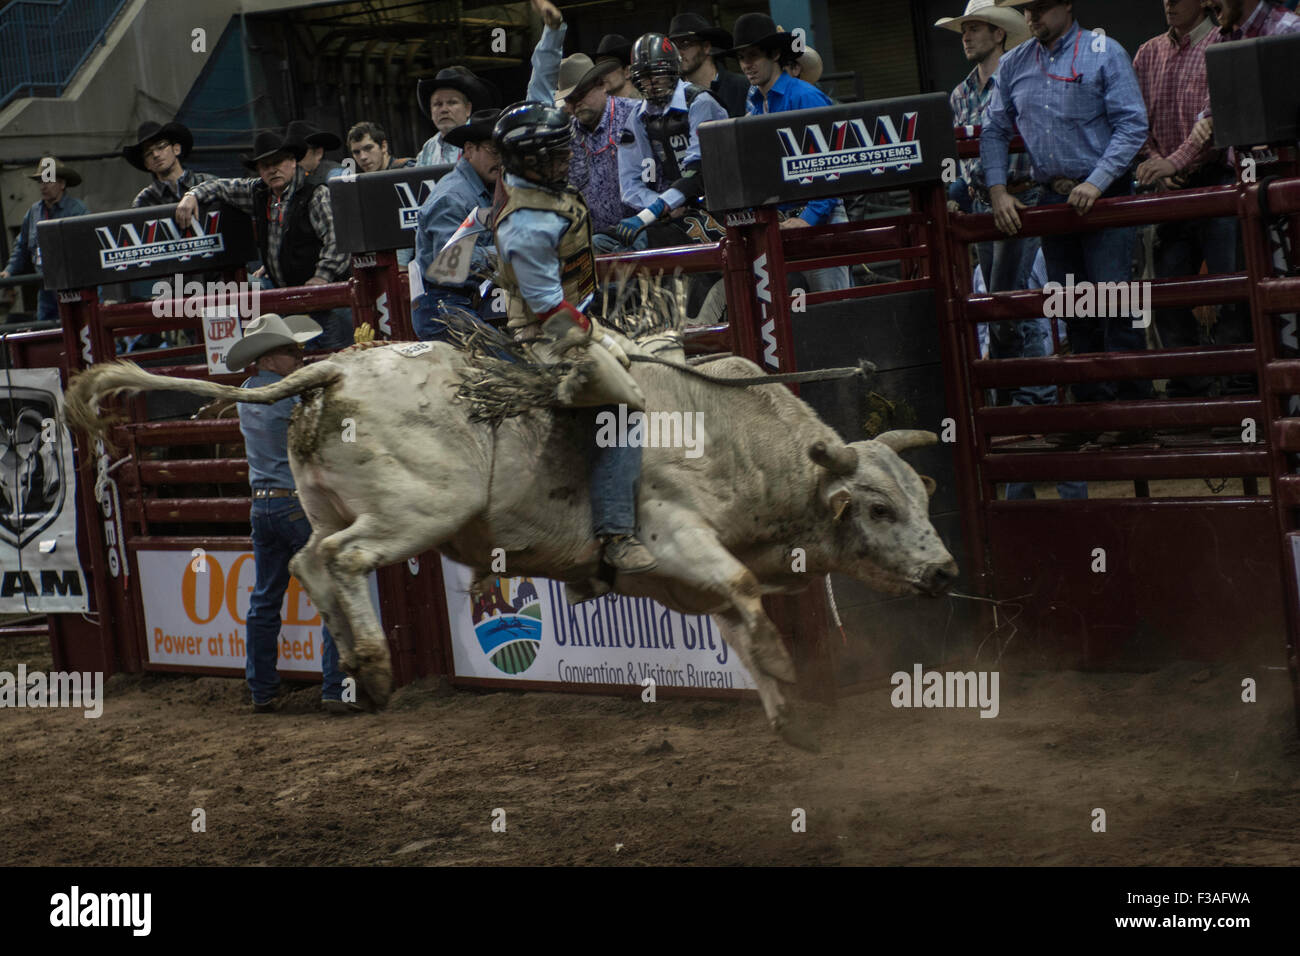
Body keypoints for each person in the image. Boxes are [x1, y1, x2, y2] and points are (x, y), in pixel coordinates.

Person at [492, 101, 657, 574]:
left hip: (578, 313)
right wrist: (597, 341)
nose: (565, 162)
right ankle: (616, 536)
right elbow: (547, 311)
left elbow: (538, 98)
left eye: (563, 151)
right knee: (622, 409)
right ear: (526, 161)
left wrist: (551, 39)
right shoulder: (525, 224)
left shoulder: (537, 183)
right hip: (548, 333)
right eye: (553, 156)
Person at [982, 0, 1152, 438]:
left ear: (1066, 6)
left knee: (1116, 302)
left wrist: (1096, 181)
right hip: (1054, 198)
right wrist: (998, 189)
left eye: (1039, 8)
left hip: (1104, 194)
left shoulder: (1104, 51)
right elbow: (995, 128)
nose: (1032, 17)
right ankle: (1093, 414)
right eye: (1027, 10)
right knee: (1074, 308)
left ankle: (1134, 415)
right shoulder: (1017, 63)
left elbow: (1133, 124)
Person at [226, 312, 358, 714]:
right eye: (290, 350)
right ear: (268, 358)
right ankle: (337, 689)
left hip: (262, 506)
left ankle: (262, 688)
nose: (300, 356)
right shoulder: (290, 397)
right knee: (333, 590)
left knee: (266, 598)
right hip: (296, 506)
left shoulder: (248, 392)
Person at [1133, 0, 1241, 399]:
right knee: (1167, 292)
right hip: (1171, 189)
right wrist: (1156, 163)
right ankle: (1191, 388)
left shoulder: (1222, 43)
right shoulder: (1147, 54)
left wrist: (1169, 163)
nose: (1169, 3)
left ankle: (1237, 388)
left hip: (1215, 179)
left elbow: (1215, 122)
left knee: (1232, 290)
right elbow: (1134, 121)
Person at [938, 0, 1036, 404]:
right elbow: (957, 161)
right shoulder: (960, 94)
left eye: (976, 28)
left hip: (1020, 196)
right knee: (996, 302)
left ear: (999, 34)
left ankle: (1021, 396)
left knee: (1004, 299)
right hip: (981, 201)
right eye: (964, 29)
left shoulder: (1020, 80)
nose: (966, 36)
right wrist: (954, 195)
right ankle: (1014, 397)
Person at [174, 130, 353, 350]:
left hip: (327, 299)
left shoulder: (315, 195)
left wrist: (322, 278)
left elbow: (337, 240)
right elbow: (220, 186)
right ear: (259, 170)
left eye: (278, 162)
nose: (272, 169)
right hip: (291, 300)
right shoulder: (259, 192)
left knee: (337, 359)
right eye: (265, 165)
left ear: (292, 161)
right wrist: (191, 195)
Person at [730, 13, 850, 292]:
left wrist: (809, 217)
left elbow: (832, 162)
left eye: (753, 56)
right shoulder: (757, 107)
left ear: (774, 54)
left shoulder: (804, 96)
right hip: (783, 224)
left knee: (833, 309)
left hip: (818, 221)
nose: (747, 65)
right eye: (741, 58)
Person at [522, 0, 642, 251]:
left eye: (581, 94)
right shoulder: (566, 132)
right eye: (570, 99)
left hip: (642, 233)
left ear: (602, 84)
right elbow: (537, 98)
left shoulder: (635, 115)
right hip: (592, 246)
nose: (576, 103)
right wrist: (551, 34)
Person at [614, 33, 728, 251]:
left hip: (720, 206)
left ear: (673, 70)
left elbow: (699, 169)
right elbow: (629, 183)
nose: (652, 83)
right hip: (674, 209)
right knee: (605, 242)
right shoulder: (638, 117)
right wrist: (663, 205)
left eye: (658, 75)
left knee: (644, 243)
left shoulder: (700, 102)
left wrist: (657, 208)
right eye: (644, 77)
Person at [413, 108, 502, 338]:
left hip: (474, 299)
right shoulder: (451, 198)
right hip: (444, 309)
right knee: (509, 366)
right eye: (494, 151)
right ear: (469, 150)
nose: (501, 160)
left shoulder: (489, 189)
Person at [1, 159, 89, 324]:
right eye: (41, 181)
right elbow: (21, 246)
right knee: (47, 330)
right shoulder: (34, 212)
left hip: (74, 287)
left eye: (48, 180)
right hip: (46, 289)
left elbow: (86, 250)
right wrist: (9, 270)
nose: (43, 186)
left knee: (81, 327)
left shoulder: (77, 210)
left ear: (62, 184)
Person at [667, 12, 749, 118]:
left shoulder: (742, 87)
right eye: (673, 47)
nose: (678, 53)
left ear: (706, 47)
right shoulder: (674, 98)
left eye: (685, 44)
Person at [415, 66, 495, 167]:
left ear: (467, 109)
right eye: (438, 104)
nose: (444, 109)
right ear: (431, 111)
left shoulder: (483, 141)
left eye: (452, 102)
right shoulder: (429, 148)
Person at [123, 120, 214, 207]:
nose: (155, 154)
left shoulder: (204, 181)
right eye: (148, 153)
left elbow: (228, 187)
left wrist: (195, 194)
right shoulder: (145, 200)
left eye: (161, 147)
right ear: (147, 164)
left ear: (176, 149)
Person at [285, 119, 346, 185]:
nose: (294, 161)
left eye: (300, 152)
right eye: (289, 156)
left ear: (318, 153)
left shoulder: (336, 175)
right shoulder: (295, 177)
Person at [347, 121, 414, 172]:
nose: (363, 157)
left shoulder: (408, 170)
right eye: (356, 152)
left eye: (368, 148)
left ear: (383, 146)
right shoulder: (360, 184)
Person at [594, 34, 642, 99]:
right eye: (599, 68)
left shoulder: (646, 106)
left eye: (608, 68)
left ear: (627, 72)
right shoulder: (603, 107)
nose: (602, 74)